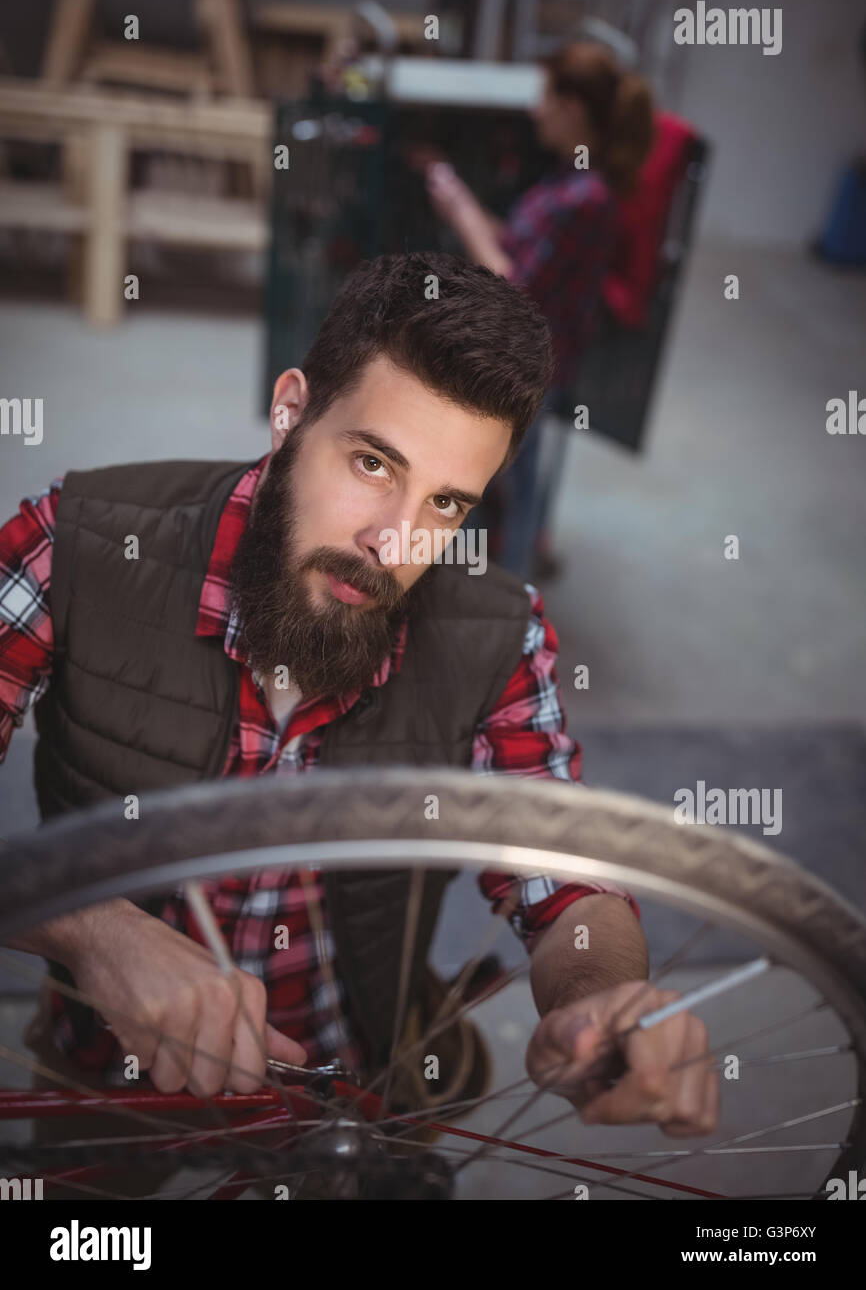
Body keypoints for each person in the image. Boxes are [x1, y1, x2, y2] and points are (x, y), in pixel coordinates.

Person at [0, 253, 716, 1171]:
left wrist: (597, 1005)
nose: (395, 542)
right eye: (374, 463)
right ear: (291, 411)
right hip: (104, 1087)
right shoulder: (82, 546)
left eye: (446, 502)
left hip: (355, 1103)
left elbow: (565, 884)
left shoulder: (493, 636)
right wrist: (92, 931)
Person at [427, 43, 654, 578]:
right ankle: (501, 578)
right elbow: (516, 243)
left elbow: (515, 286)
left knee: (515, 488)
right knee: (507, 481)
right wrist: (459, 198)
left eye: (545, 97)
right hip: (524, 361)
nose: (536, 111)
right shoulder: (567, 179)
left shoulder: (587, 196)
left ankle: (509, 596)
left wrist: (460, 211)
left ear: (573, 107)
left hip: (533, 368)